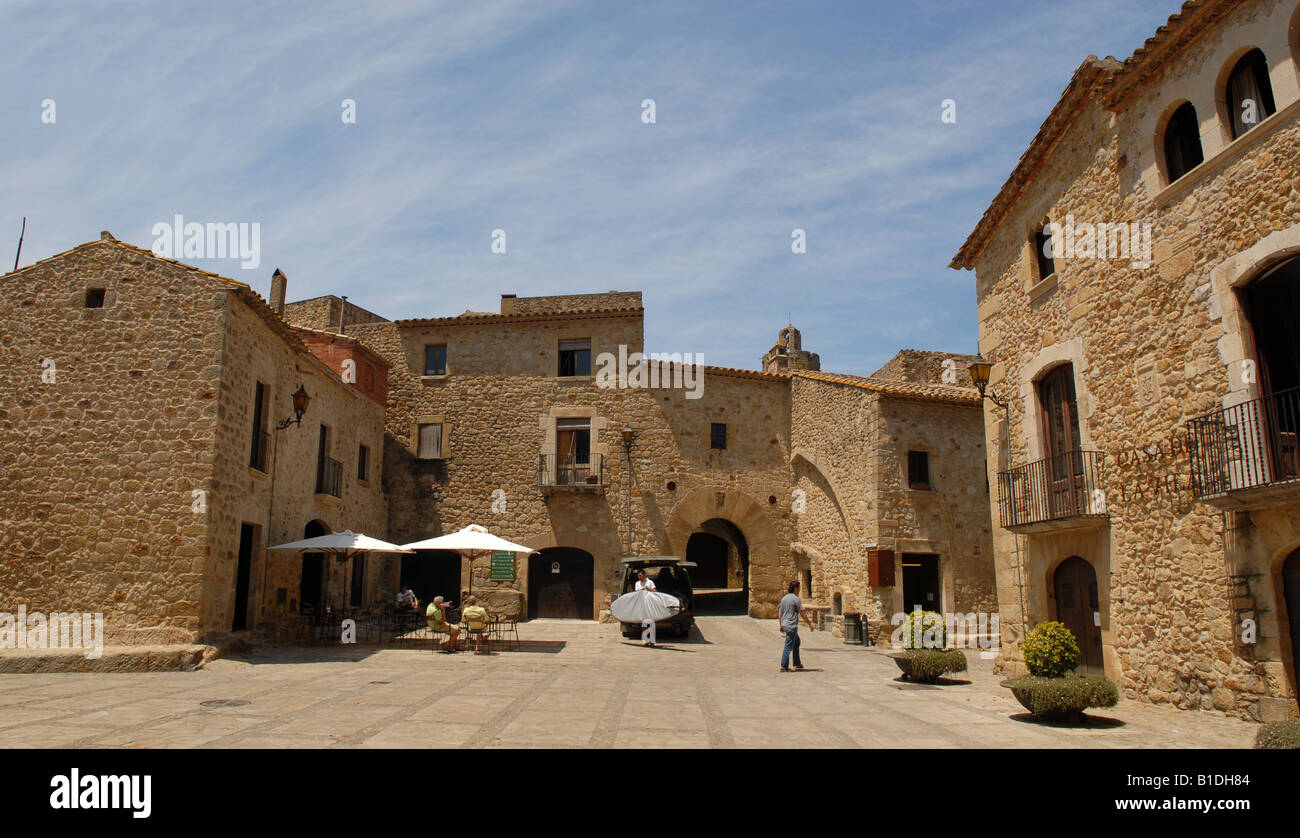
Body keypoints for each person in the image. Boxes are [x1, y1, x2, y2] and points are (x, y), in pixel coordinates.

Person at [778, 580, 814, 672]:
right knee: (788, 646)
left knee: (796, 642)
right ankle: (784, 666)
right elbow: (802, 613)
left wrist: (781, 624)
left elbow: (780, 613)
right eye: (799, 588)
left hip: (785, 625)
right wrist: (809, 624)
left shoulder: (784, 598)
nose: (800, 590)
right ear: (796, 588)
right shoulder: (796, 599)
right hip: (791, 626)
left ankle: (797, 663)